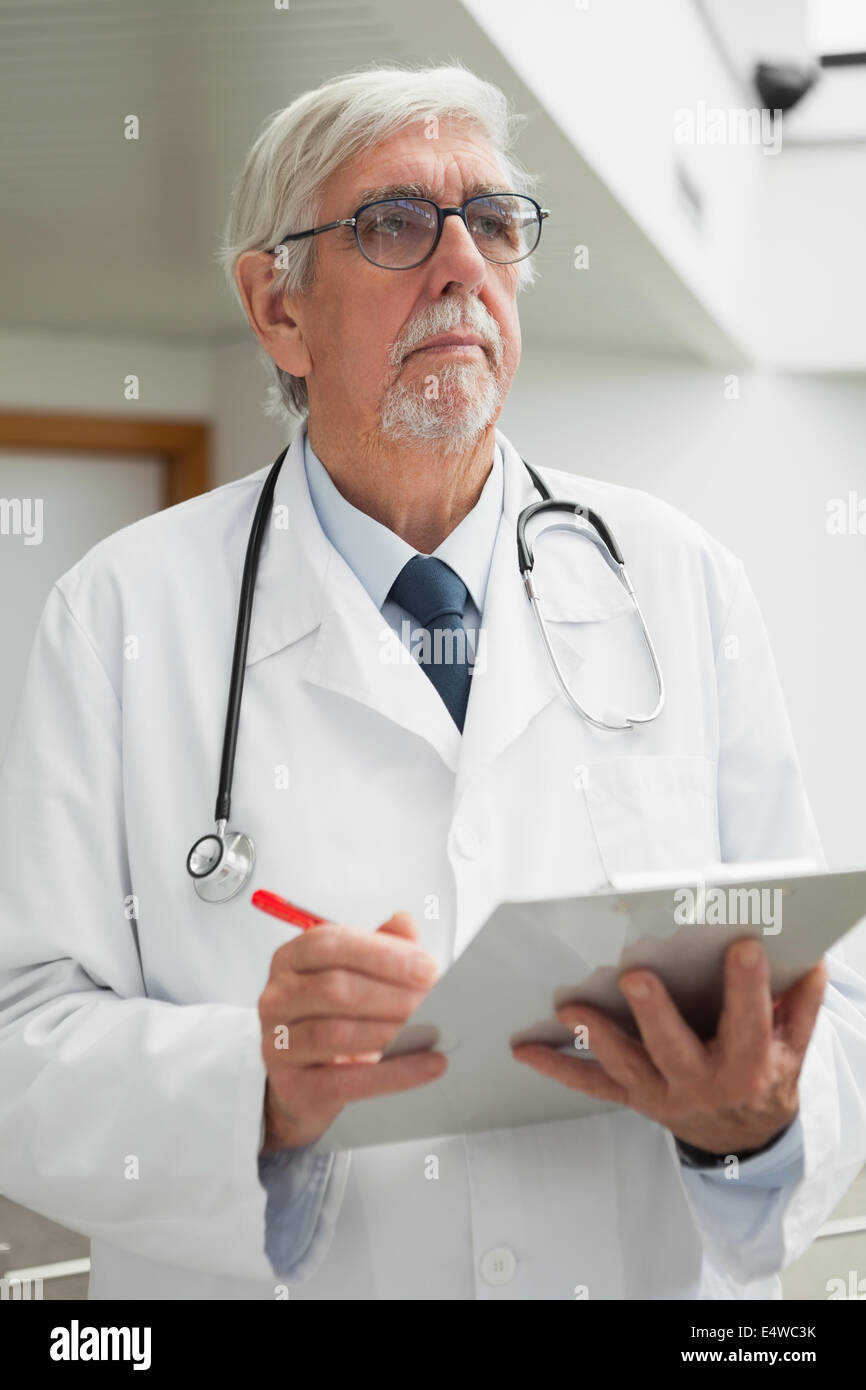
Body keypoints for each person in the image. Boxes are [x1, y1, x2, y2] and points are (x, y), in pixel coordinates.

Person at [1, 63, 864, 1302]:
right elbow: (19, 1037)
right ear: (276, 307)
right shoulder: (122, 613)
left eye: (496, 223)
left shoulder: (680, 582)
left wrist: (755, 1122)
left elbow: (825, 995)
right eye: (395, 224)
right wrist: (255, 1080)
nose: (462, 264)